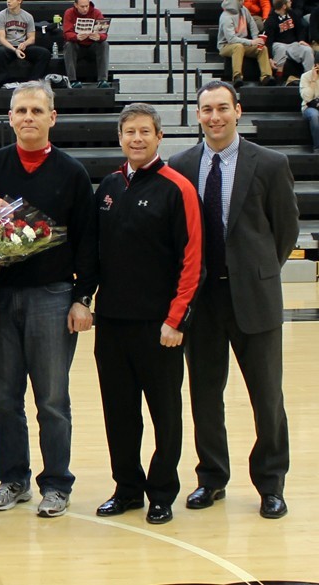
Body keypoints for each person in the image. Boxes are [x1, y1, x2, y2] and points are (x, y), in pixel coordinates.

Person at [169, 80, 299, 520]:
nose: (214, 117)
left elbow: (285, 231)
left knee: (266, 396)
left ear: (237, 111)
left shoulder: (270, 163)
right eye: (206, 110)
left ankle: (271, 483)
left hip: (254, 296)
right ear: (198, 115)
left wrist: (257, 272)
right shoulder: (181, 165)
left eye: (222, 108)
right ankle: (212, 478)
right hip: (202, 300)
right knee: (205, 395)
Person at [0, 81, 97, 518]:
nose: (27, 117)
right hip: (1, 296)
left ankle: (57, 483)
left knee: (52, 399)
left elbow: (88, 242)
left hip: (53, 296)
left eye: (36, 110)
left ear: (53, 117)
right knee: (4, 397)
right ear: (10, 117)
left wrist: (82, 297)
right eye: (20, 110)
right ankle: (13, 478)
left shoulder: (72, 172)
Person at [92, 104, 203, 526]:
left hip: (160, 328)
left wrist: (176, 319)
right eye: (129, 132)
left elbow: (193, 260)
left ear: (159, 137)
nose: (136, 139)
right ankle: (127, 488)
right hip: (113, 324)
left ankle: (161, 492)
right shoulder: (108, 186)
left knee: (165, 414)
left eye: (144, 132)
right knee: (119, 413)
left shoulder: (178, 187)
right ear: (119, 138)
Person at [0, 0, 52, 90]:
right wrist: (15, 50)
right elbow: (1, 39)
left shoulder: (28, 16)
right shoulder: (0, 16)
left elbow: (32, 38)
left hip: (22, 46)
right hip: (7, 46)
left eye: (11, 0)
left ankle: (32, 83)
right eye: (7, 0)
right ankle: (3, 81)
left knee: (45, 53)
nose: (8, 1)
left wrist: (25, 43)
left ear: (19, 1)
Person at [218, 0, 275, 87]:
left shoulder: (244, 10)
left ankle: (266, 76)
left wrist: (256, 39)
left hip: (242, 43)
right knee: (238, 47)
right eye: (241, 0)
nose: (243, 2)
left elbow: (252, 24)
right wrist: (251, 42)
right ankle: (237, 76)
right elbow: (231, 39)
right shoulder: (226, 17)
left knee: (262, 48)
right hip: (226, 45)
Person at [61, 0, 111, 88]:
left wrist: (99, 37)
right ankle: (72, 80)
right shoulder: (69, 13)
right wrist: (76, 37)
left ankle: (103, 80)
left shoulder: (96, 12)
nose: (85, 9)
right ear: (76, 5)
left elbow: (104, 34)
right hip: (77, 45)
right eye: (82, 7)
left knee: (104, 44)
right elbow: (66, 33)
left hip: (92, 45)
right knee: (69, 45)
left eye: (87, 6)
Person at [263, 0, 314, 85]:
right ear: (284, 6)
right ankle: (278, 78)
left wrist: (301, 40)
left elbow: (300, 29)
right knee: (281, 48)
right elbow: (269, 40)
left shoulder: (292, 14)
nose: (291, 2)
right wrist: (270, 58)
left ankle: (309, 80)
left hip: (292, 44)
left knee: (307, 50)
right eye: (288, 1)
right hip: (278, 44)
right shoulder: (270, 20)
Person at [300, 62, 319, 152]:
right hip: (310, 107)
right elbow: (307, 98)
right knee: (314, 116)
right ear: (316, 65)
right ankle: (317, 148)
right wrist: (314, 81)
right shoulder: (306, 76)